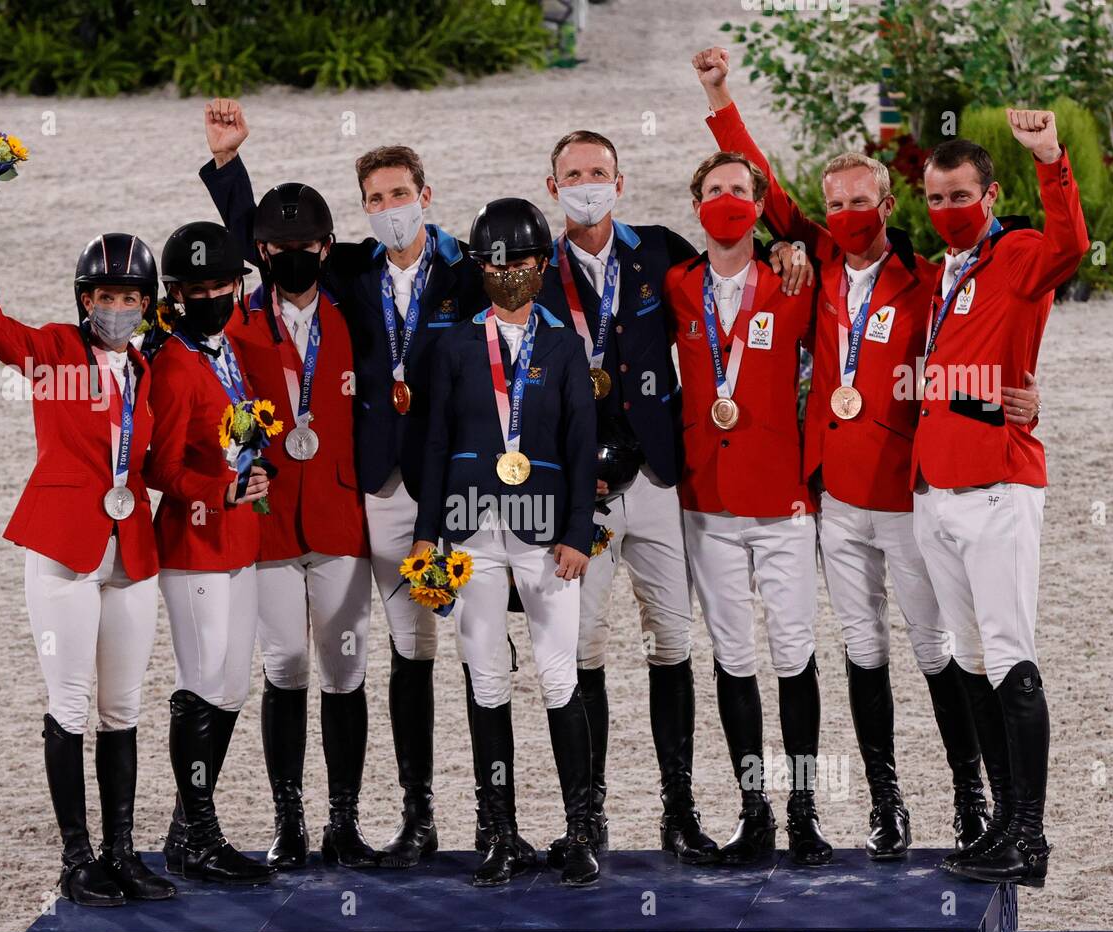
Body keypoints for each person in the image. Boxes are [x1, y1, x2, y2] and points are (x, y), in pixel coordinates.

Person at [694, 46, 1042, 860]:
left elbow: (984, 346)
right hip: (837, 499)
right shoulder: (807, 261)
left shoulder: (930, 280)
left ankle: (971, 798)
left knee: (937, 651)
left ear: (890, 203)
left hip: (911, 496)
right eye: (835, 202)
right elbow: (763, 184)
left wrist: (1019, 394)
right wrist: (719, 95)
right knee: (863, 652)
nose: (849, 213)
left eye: (864, 201)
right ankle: (888, 805)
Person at [200, 99, 493, 867]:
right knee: (334, 659)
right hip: (370, 491)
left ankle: (423, 817)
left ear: (425, 196)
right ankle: (310, 821)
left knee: (426, 650)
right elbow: (272, 243)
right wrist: (230, 166)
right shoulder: (351, 271)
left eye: (401, 194)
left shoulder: (467, 270)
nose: (389, 208)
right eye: (376, 199)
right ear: (359, 217)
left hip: (447, 486)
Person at [535, 128, 812, 868]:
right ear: (553, 184)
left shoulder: (659, 252)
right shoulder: (535, 267)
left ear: (619, 181)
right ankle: (586, 815)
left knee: (672, 642)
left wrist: (788, 241)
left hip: (661, 479)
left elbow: (742, 246)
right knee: (582, 645)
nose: (588, 181)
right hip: (579, 491)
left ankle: (678, 808)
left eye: (600, 170)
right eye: (574, 173)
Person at [0, 195, 173, 906]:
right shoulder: (52, 352)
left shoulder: (149, 371)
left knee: (125, 705)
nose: (118, 306)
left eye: (130, 296)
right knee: (71, 700)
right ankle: (77, 858)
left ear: (147, 303)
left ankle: (120, 851)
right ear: (86, 300)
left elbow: (159, 464)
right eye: (106, 295)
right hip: (63, 548)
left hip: (129, 545)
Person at [913, 111, 1088, 887]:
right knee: (975, 663)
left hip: (998, 487)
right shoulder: (935, 273)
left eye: (958, 195)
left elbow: (1071, 246)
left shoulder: (1016, 253)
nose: (945, 207)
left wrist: (1050, 158)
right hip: (936, 494)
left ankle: (1031, 833)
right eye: (933, 196)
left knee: (1013, 658)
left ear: (989, 196)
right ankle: (998, 822)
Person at [411, 198, 599, 887]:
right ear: (481, 268)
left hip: (547, 531)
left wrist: (580, 531)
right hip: (468, 530)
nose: (508, 272)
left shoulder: (564, 345)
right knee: (486, 676)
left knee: (556, 675)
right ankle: (500, 830)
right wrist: (427, 535)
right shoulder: (456, 345)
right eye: (496, 262)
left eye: (520, 261)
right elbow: (436, 444)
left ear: (541, 266)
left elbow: (582, 446)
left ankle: (580, 831)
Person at [666, 150, 831, 867]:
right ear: (696, 204)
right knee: (733, 659)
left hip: (781, 499)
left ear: (761, 206)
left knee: (794, 657)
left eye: (739, 189)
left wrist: (796, 247)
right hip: (707, 502)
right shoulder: (677, 286)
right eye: (713, 190)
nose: (725, 198)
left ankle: (804, 812)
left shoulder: (797, 281)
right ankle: (753, 812)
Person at [230, 182, 377, 869]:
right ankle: (289, 820)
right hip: (270, 523)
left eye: (307, 246)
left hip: (340, 515)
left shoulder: (354, 312)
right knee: (285, 666)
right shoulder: (234, 322)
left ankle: (342, 822)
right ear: (260, 251)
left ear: (327, 247)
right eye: (280, 248)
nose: (295, 255)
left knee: (344, 670)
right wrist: (229, 167)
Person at [147, 221, 272, 885]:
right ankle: (202, 833)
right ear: (176, 294)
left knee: (229, 687)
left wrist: (257, 470)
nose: (209, 296)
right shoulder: (171, 364)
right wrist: (221, 488)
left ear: (237, 286)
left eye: (218, 284)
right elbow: (158, 467)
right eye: (194, 289)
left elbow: (238, 428)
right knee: (200, 685)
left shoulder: (230, 352)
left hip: (240, 538)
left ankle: (183, 828)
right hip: (194, 543)